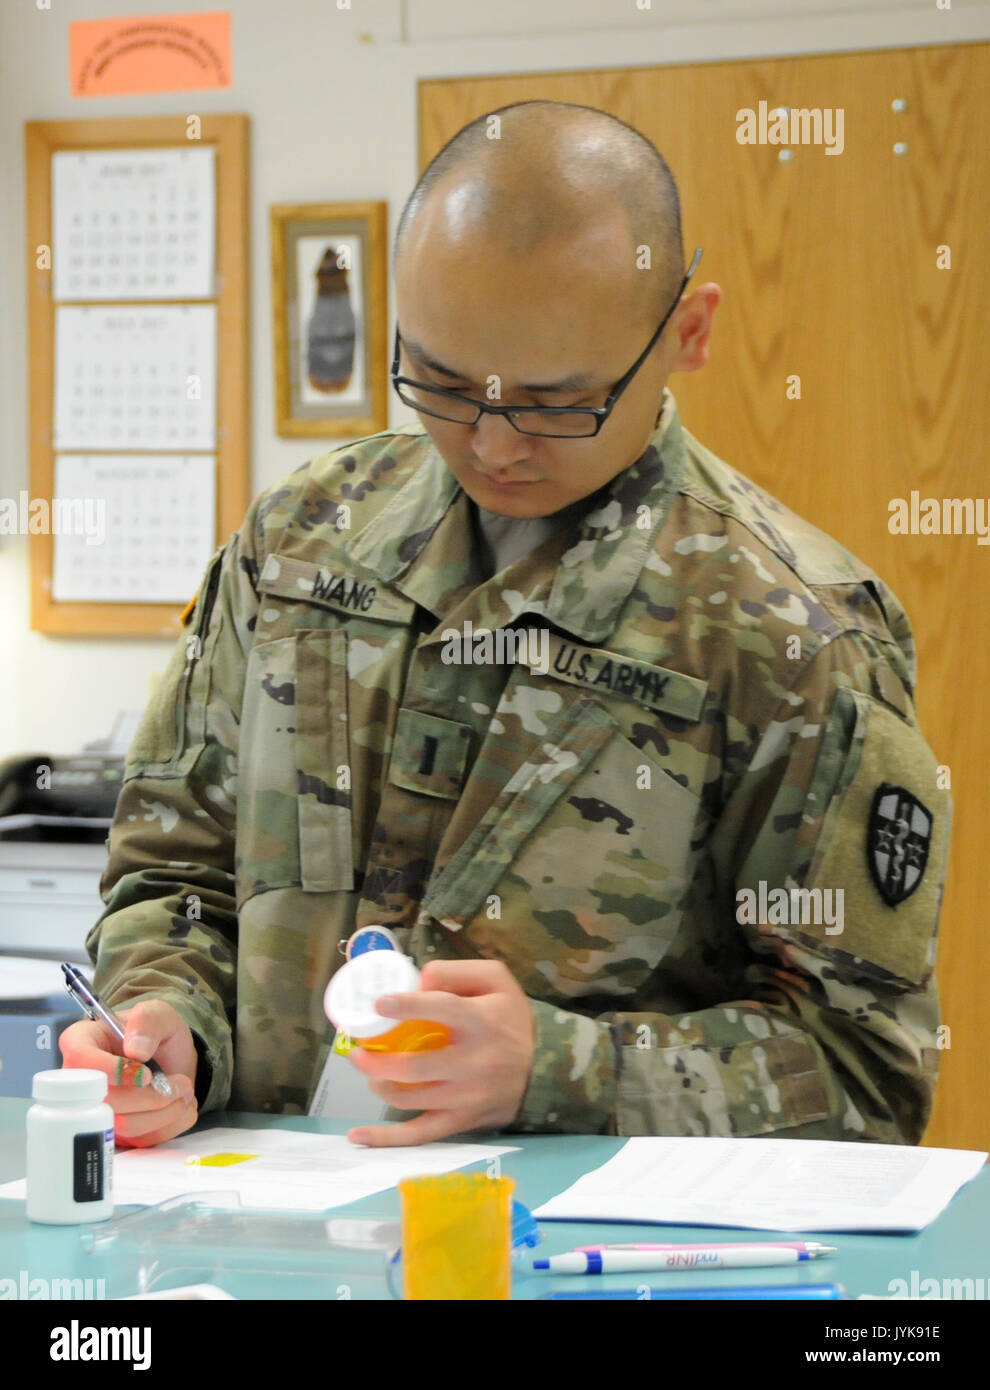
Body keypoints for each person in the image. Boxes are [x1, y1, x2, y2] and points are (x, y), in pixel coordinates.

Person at [60, 100, 949, 1151]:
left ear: (687, 333)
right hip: (261, 1233)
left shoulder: (792, 634)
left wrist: (560, 1070)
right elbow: (178, 868)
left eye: (553, 401)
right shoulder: (300, 542)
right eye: (438, 380)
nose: (490, 442)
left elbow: (866, 1069)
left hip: (577, 1256)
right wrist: (170, 1018)